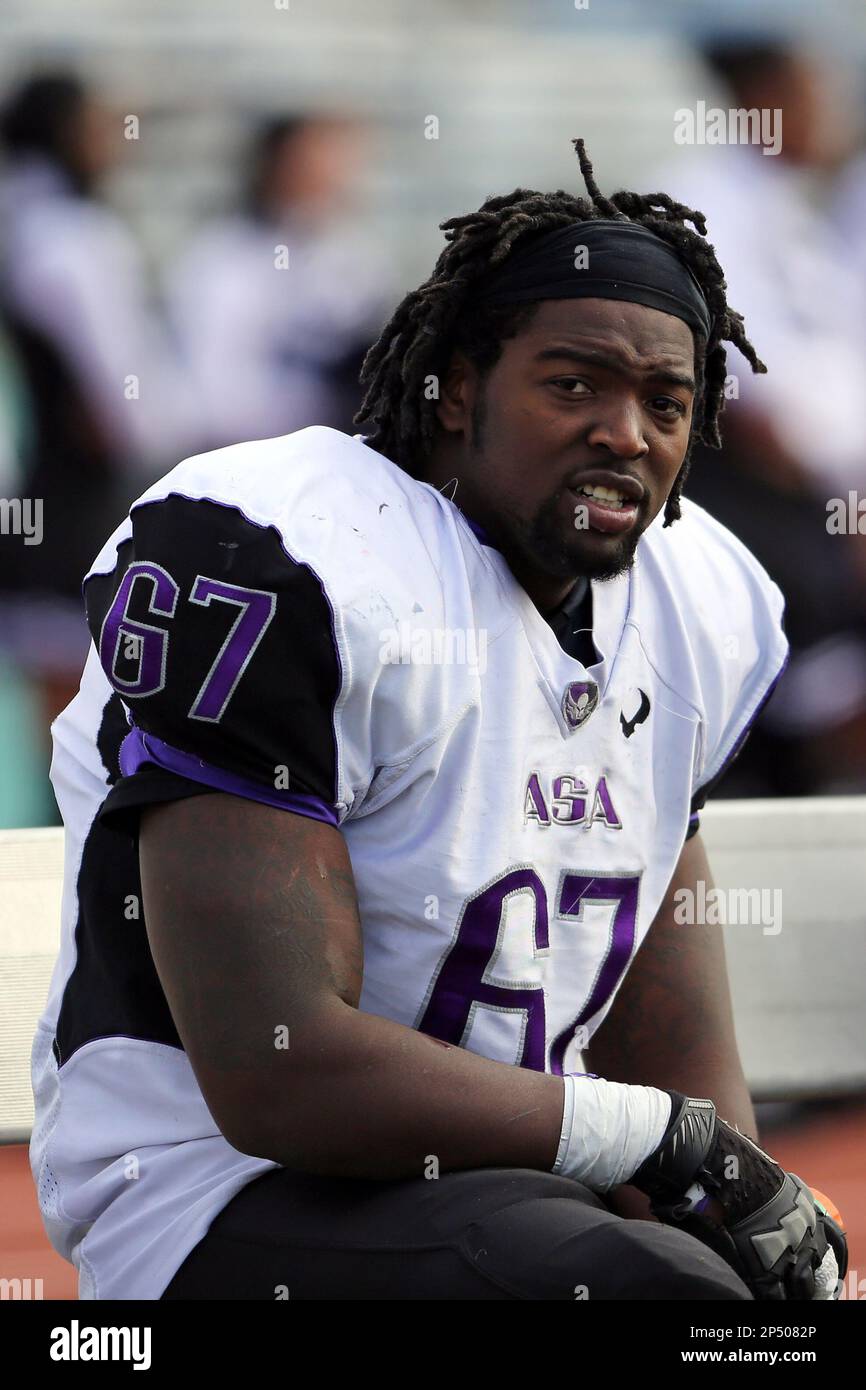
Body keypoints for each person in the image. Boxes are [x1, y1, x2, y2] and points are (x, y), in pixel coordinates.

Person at [31, 139, 847, 1301]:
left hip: (520, 1178)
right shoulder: (281, 551)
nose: (625, 431)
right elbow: (280, 1075)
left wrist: (725, 1185)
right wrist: (652, 1143)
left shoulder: (695, 601)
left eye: (665, 401)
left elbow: (665, 1039)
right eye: (571, 384)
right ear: (456, 386)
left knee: (748, 1296)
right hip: (224, 1185)